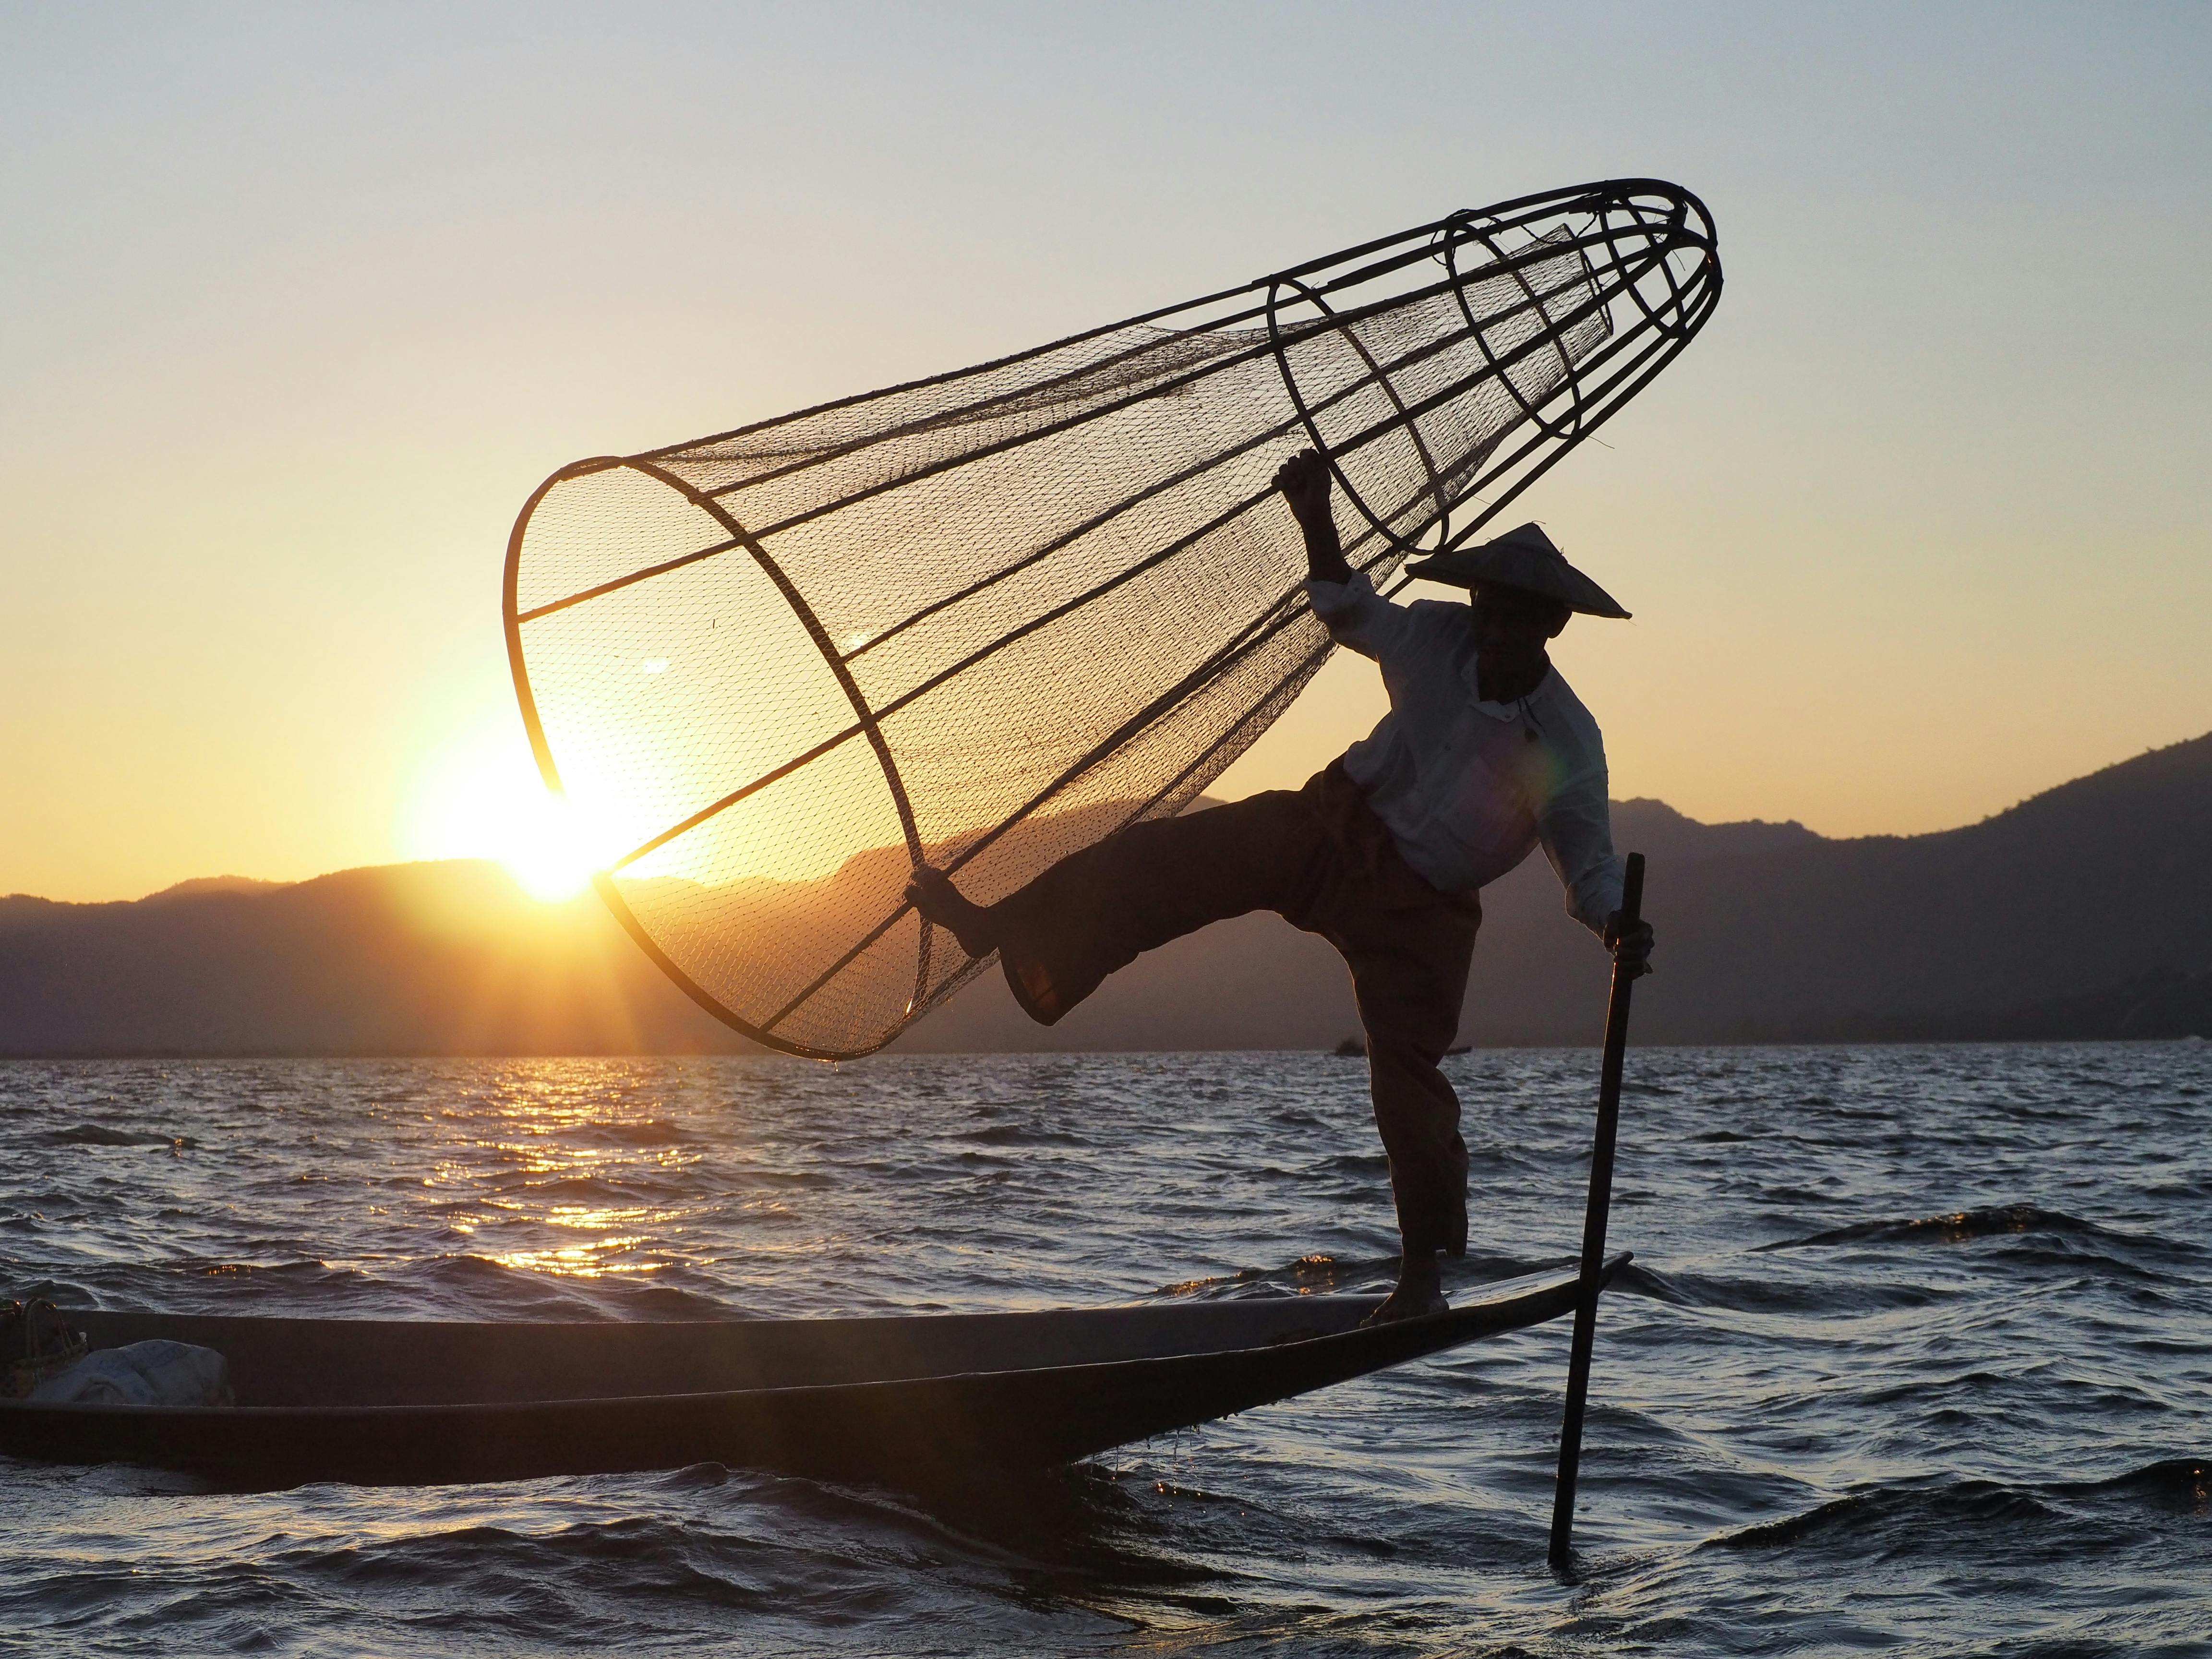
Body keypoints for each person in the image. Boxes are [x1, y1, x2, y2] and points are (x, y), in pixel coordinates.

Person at [908, 448, 1654, 1323]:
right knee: (1165, 860)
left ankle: (1420, 1280)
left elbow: (1588, 861)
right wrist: (1314, 514)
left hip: (1422, 909)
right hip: (1334, 826)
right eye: (1490, 615)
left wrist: (1616, 927)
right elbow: (1348, 607)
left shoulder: (1564, 736)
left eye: (1520, 626)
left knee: (1406, 1078)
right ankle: (1001, 928)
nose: (1497, 637)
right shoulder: (1434, 637)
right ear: (1476, 606)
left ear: (1551, 631)